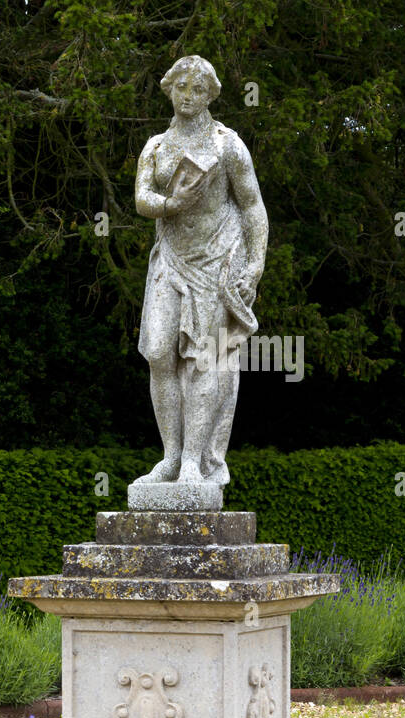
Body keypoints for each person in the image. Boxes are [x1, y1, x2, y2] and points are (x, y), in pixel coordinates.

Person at [133, 55, 268, 488]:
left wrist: (255, 264)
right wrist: (170, 205)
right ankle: (170, 457)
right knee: (158, 353)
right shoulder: (156, 146)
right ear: (169, 88)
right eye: (181, 87)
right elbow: (141, 198)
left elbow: (252, 207)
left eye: (198, 90)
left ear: (210, 95)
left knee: (205, 360)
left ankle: (193, 460)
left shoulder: (227, 144)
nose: (188, 97)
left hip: (216, 261)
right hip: (170, 259)